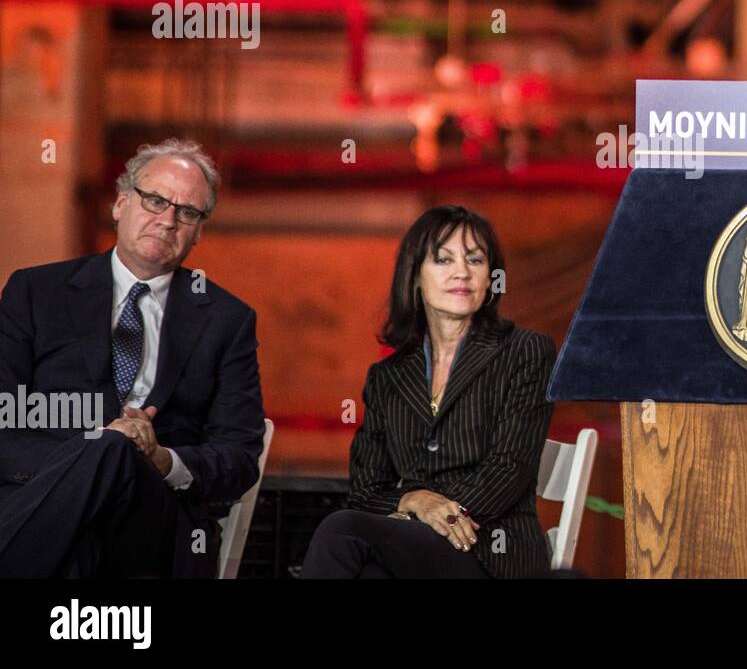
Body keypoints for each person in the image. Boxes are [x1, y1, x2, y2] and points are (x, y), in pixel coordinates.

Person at [0, 139, 265, 577]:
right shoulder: (35, 293)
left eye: (188, 212)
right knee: (104, 455)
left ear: (199, 231)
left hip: (153, 520)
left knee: (116, 451)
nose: (167, 221)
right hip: (40, 502)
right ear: (121, 204)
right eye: (156, 200)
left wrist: (163, 460)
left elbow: (237, 457)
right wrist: (85, 463)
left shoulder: (227, 321)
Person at [301, 205, 557, 579]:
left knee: (340, 528)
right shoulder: (387, 377)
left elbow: (508, 469)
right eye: (443, 259)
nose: (462, 272)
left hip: (488, 552)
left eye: (475, 259)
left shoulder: (525, 351)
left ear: (491, 277)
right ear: (415, 276)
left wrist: (436, 515)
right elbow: (366, 488)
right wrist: (415, 501)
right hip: (415, 549)